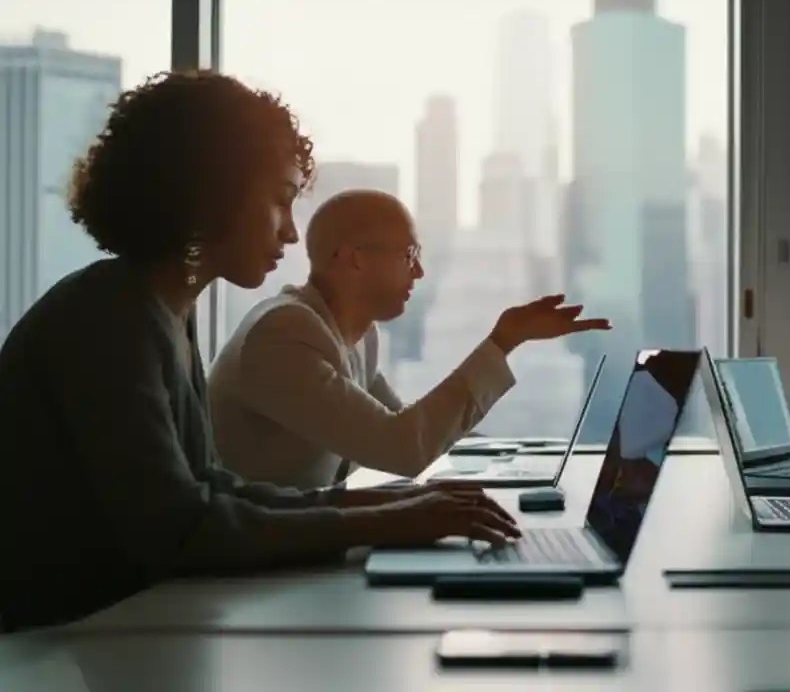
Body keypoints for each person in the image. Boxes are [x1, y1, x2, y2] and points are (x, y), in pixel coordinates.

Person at [0, 71, 521, 632]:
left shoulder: (161, 311)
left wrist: (390, 510)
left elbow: (210, 489)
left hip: (116, 625)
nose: (292, 234)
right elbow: (181, 530)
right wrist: (384, 522)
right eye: (280, 201)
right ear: (211, 190)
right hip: (56, 646)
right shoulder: (108, 319)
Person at [208, 190, 609, 489]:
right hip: (251, 572)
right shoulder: (284, 335)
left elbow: (411, 424)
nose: (418, 273)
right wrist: (504, 340)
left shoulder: (358, 334)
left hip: (299, 549)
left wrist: (525, 460)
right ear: (355, 258)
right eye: (410, 254)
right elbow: (403, 447)